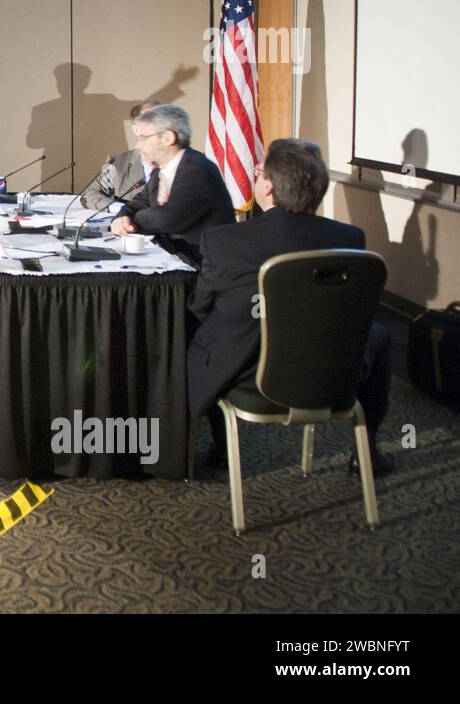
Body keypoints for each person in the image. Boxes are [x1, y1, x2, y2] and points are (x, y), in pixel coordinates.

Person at [189, 139, 394, 475]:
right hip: (330, 375)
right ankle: (367, 452)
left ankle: (222, 448)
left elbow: (199, 307)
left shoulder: (224, 241)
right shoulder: (350, 239)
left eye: (258, 172)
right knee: (380, 335)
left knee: (202, 337)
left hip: (248, 376)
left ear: (267, 185)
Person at [109, 104, 234, 264]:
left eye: (144, 138)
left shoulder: (196, 169)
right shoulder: (161, 170)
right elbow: (138, 203)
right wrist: (123, 217)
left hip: (205, 266)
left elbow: (167, 218)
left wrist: (134, 220)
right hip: (177, 259)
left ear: (168, 138)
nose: (138, 145)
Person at [80, 100, 160, 210]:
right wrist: (121, 209)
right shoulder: (119, 164)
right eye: (152, 120)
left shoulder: (186, 162)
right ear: (136, 129)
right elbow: (89, 195)